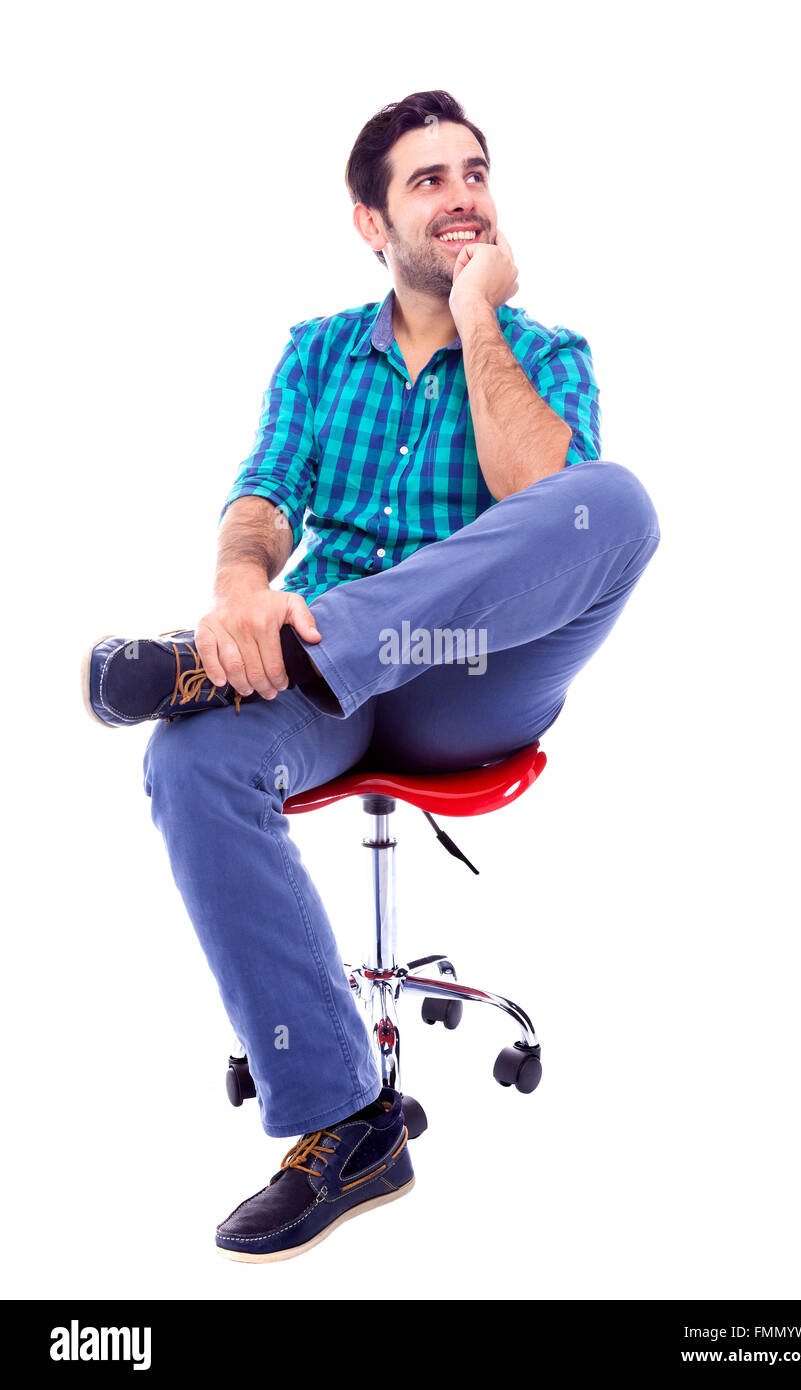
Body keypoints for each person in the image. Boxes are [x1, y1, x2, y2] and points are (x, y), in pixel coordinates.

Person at [83, 90, 661, 1262]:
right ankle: (349, 1123)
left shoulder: (542, 350)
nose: (463, 196)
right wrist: (243, 596)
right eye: (427, 180)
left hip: (470, 670)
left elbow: (534, 495)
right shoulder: (318, 351)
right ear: (368, 220)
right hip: (323, 682)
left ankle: (302, 641)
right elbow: (261, 497)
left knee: (616, 502)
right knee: (188, 752)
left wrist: (477, 317)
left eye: (474, 172)